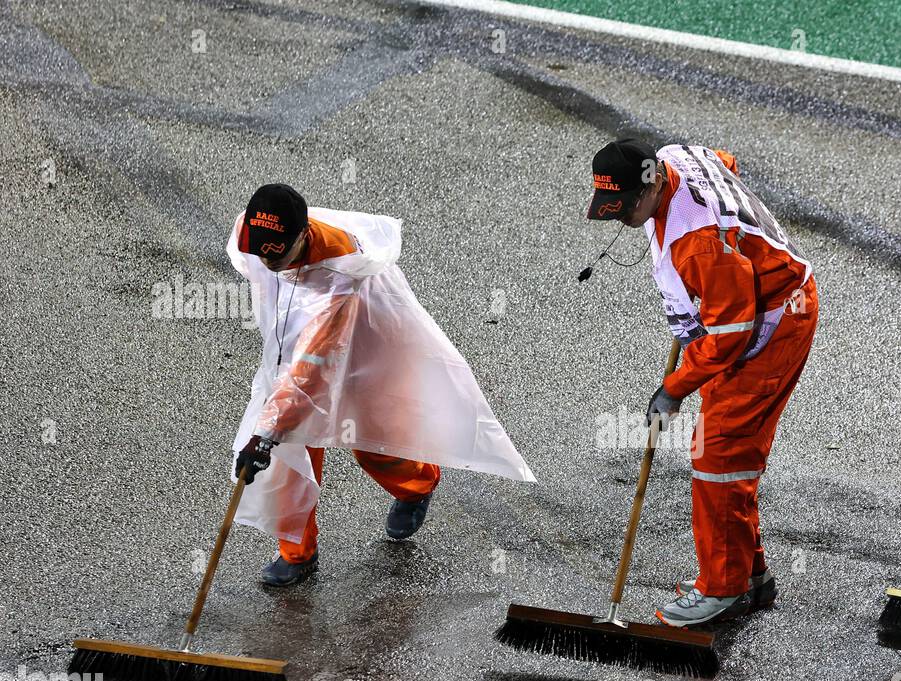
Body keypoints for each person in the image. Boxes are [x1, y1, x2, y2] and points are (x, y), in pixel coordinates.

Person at [228, 184, 534, 585]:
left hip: (363, 337)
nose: (266, 259)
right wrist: (273, 430)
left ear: (302, 237)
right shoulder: (254, 235)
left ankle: (417, 484)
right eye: (260, 249)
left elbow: (309, 372)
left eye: (276, 252)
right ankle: (297, 553)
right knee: (293, 446)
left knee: (371, 437)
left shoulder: (338, 277)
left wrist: (264, 435)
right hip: (302, 344)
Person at [585, 139, 818, 627]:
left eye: (627, 206)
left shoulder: (697, 241)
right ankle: (748, 575)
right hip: (749, 305)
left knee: (719, 453)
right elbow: (724, 163)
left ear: (651, 185)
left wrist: (675, 387)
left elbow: (731, 330)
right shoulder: (675, 155)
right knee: (728, 450)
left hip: (772, 323)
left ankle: (724, 589)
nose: (624, 218)